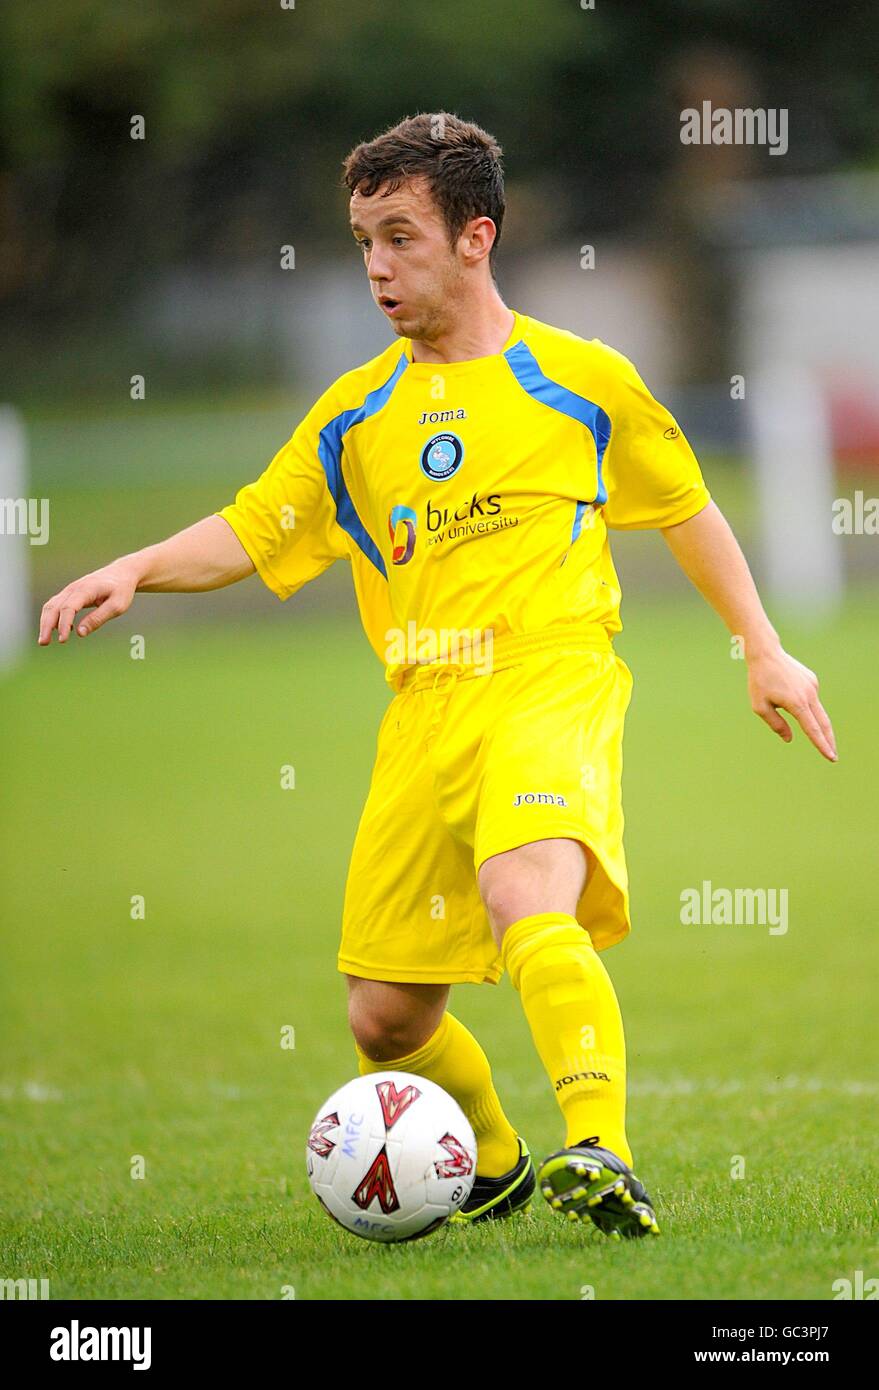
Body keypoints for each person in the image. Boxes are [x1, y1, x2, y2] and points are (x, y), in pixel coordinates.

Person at [39, 112, 836, 1239]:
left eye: (400, 236)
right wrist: (135, 566)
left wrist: (762, 644)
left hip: (551, 675)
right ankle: (501, 1162)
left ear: (476, 236)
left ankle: (600, 1145)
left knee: (526, 896)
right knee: (385, 1019)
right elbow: (256, 529)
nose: (375, 264)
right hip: (421, 706)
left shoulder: (581, 380)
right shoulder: (357, 413)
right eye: (363, 239)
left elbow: (687, 508)